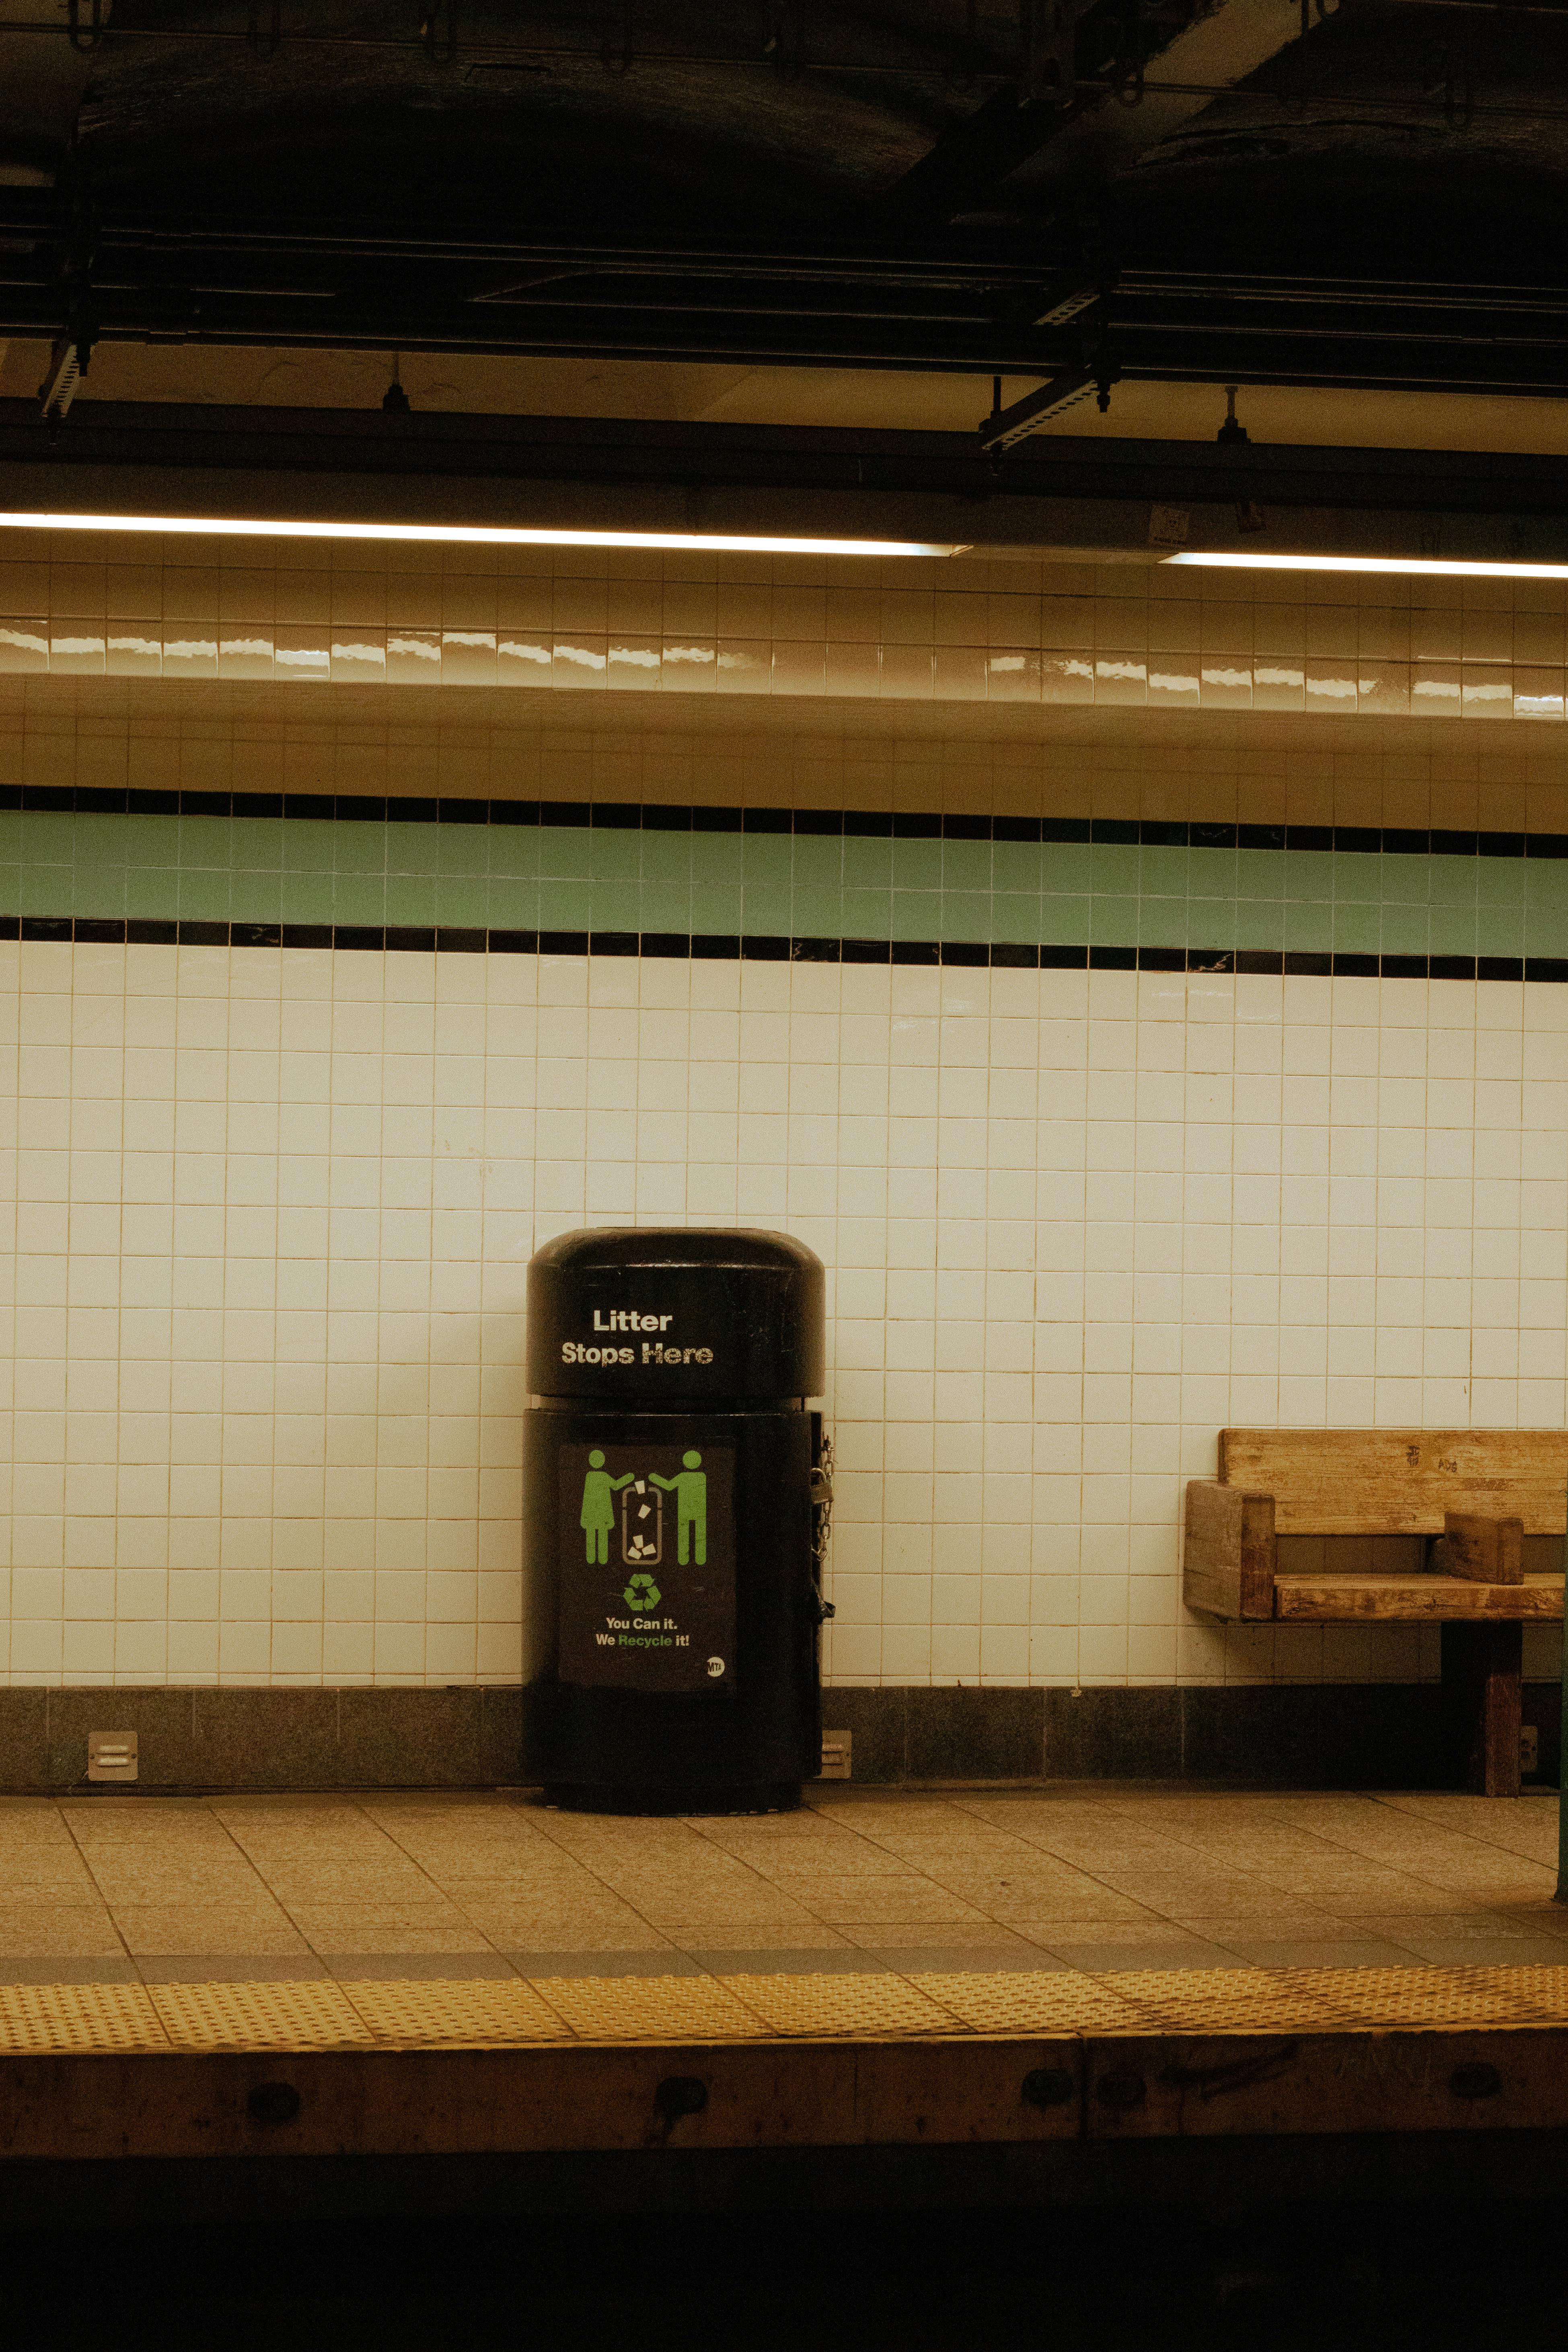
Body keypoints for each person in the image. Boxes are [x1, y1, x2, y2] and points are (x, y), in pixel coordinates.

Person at [649, 1450, 707, 1565]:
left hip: (685, 1512)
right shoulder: (702, 1476)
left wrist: (654, 1478)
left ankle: (683, 1560)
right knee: (700, 1536)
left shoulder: (683, 1477)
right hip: (699, 1512)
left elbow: (669, 1486)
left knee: (684, 1536)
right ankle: (700, 1560)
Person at [580, 1450, 633, 1565]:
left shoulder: (589, 1476)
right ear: (602, 1461)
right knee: (603, 1535)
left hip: (590, 1515)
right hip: (602, 1515)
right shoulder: (603, 1476)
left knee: (591, 1535)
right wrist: (628, 1478)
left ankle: (591, 1560)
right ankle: (603, 1560)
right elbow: (616, 1486)